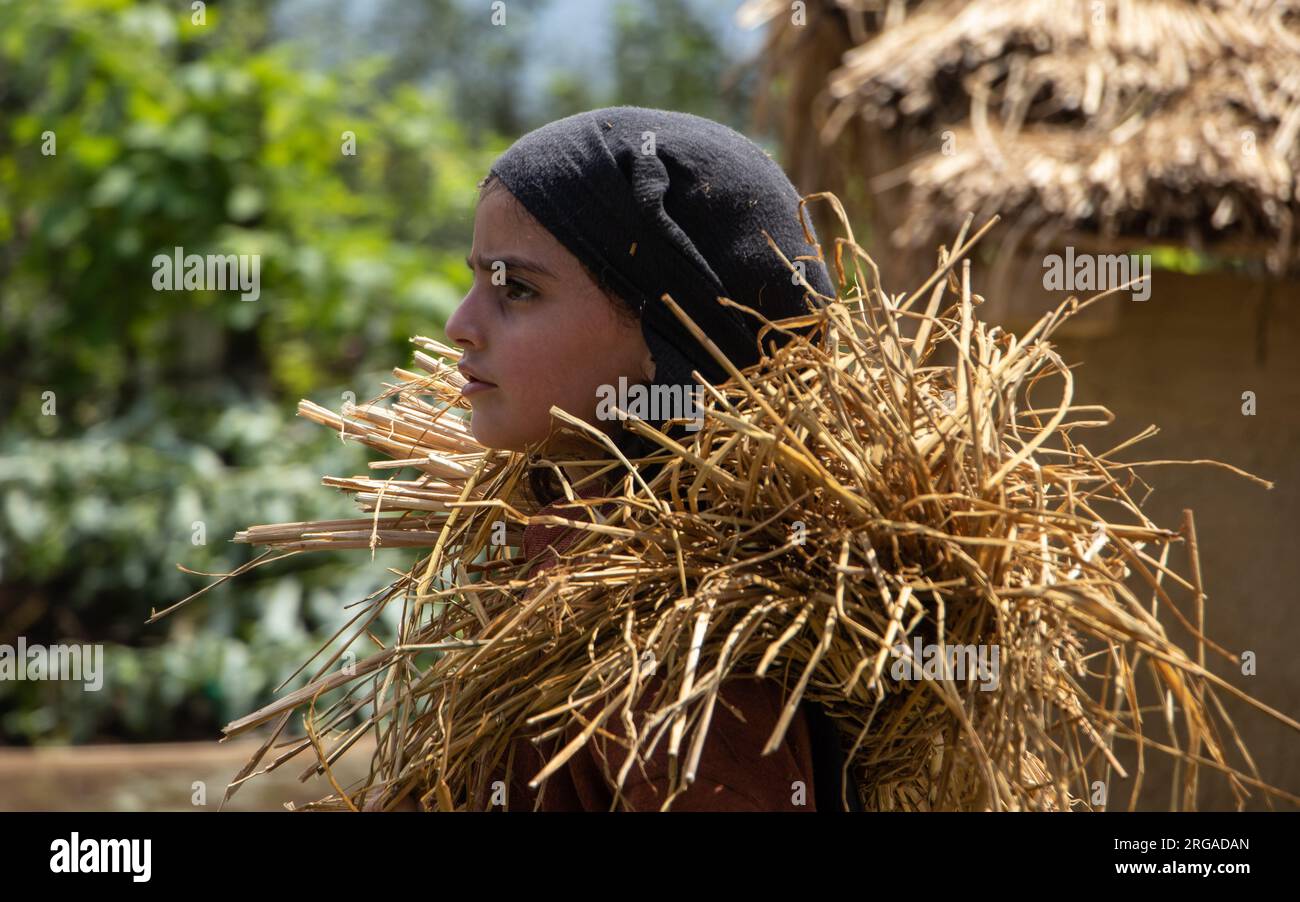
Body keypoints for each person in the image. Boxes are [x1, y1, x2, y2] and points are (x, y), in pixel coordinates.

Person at [419, 106, 856, 811]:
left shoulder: (683, 675)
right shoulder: (563, 580)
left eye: (517, 289)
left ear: (671, 337)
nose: (460, 326)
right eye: (476, 280)